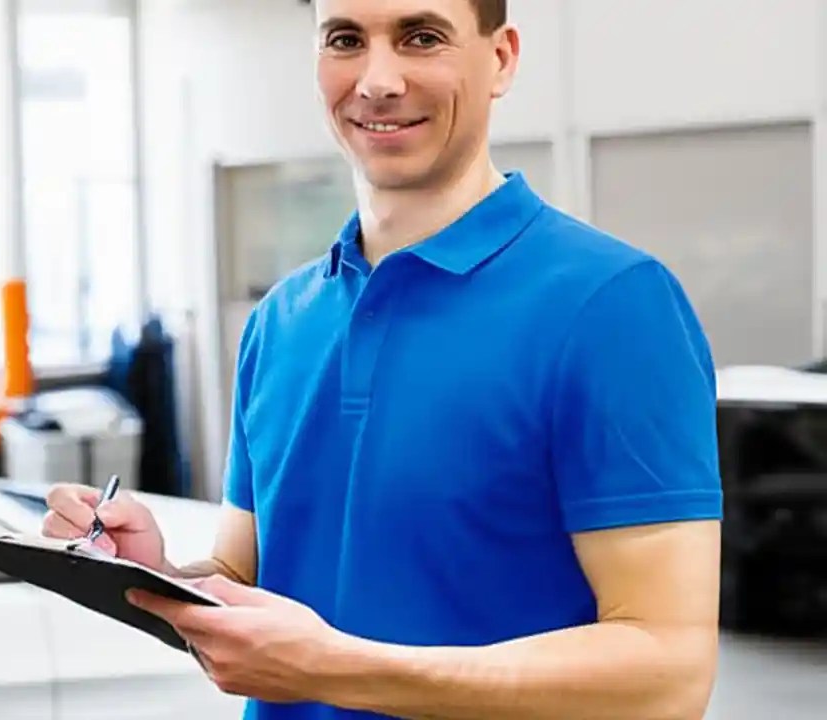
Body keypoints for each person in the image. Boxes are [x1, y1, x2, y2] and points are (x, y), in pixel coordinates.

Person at [43, 0, 723, 717]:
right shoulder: (281, 320)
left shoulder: (612, 306)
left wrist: (336, 668)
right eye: (344, 40)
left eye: (420, 37)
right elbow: (245, 577)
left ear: (501, 59)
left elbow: (666, 672)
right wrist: (157, 578)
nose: (377, 80)